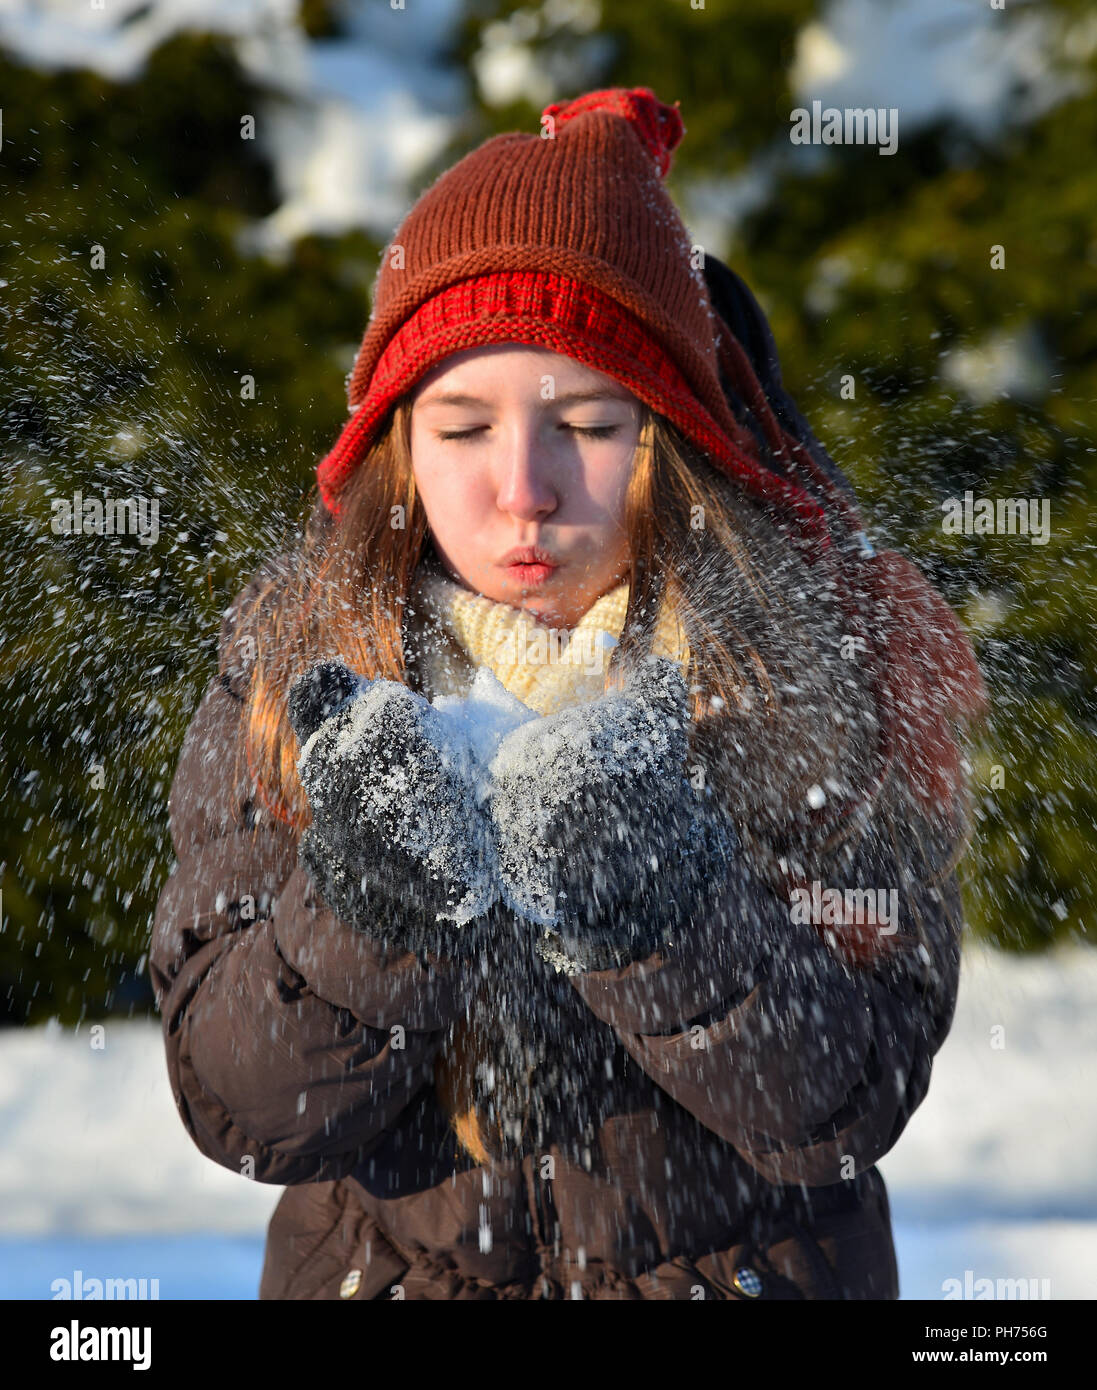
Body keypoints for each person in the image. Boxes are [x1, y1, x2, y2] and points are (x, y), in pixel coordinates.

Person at [150, 87, 988, 1300]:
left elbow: (845, 1102)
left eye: (588, 422)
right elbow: (243, 1110)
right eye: (460, 426)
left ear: (674, 439)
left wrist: (655, 905)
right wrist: (370, 906)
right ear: (391, 443)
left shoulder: (808, 665)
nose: (523, 490)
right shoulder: (299, 670)